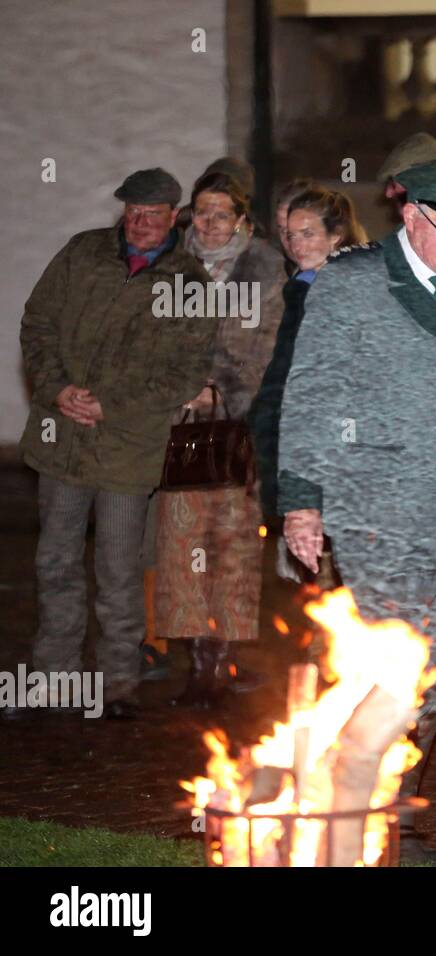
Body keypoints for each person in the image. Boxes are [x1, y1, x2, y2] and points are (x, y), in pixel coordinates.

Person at [277, 159, 436, 864]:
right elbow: (309, 392)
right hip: (372, 501)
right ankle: (368, 828)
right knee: (386, 667)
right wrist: (301, 505)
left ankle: (382, 813)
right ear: (410, 215)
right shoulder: (351, 282)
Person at [12, 169, 216, 720]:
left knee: (119, 567)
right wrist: (57, 390)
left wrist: (111, 404)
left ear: (175, 216)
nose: (139, 223)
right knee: (55, 559)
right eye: (131, 212)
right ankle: (54, 676)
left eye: (152, 214)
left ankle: (117, 682)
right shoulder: (84, 254)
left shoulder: (190, 284)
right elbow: (39, 324)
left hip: (130, 448)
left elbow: (185, 371)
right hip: (65, 441)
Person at [154, 170, 287, 708]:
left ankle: (224, 657)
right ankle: (198, 662)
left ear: (242, 220)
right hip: (180, 429)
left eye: (221, 213)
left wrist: (226, 390)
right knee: (184, 547)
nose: (210, 223)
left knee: (233, 546)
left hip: (240, 428)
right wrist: (184, 390)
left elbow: (273, 347)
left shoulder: (266, 268)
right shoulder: (168, 268)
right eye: (202, 211)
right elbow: (148, 343)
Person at [248, 187, 366, 599]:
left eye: (308, 233)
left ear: (336, 235)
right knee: (314, 583)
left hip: (339, 457)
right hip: (300, 452)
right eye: (290, 234)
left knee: (343, 582)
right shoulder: (300, 286)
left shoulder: (345, 288)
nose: (296, 244)